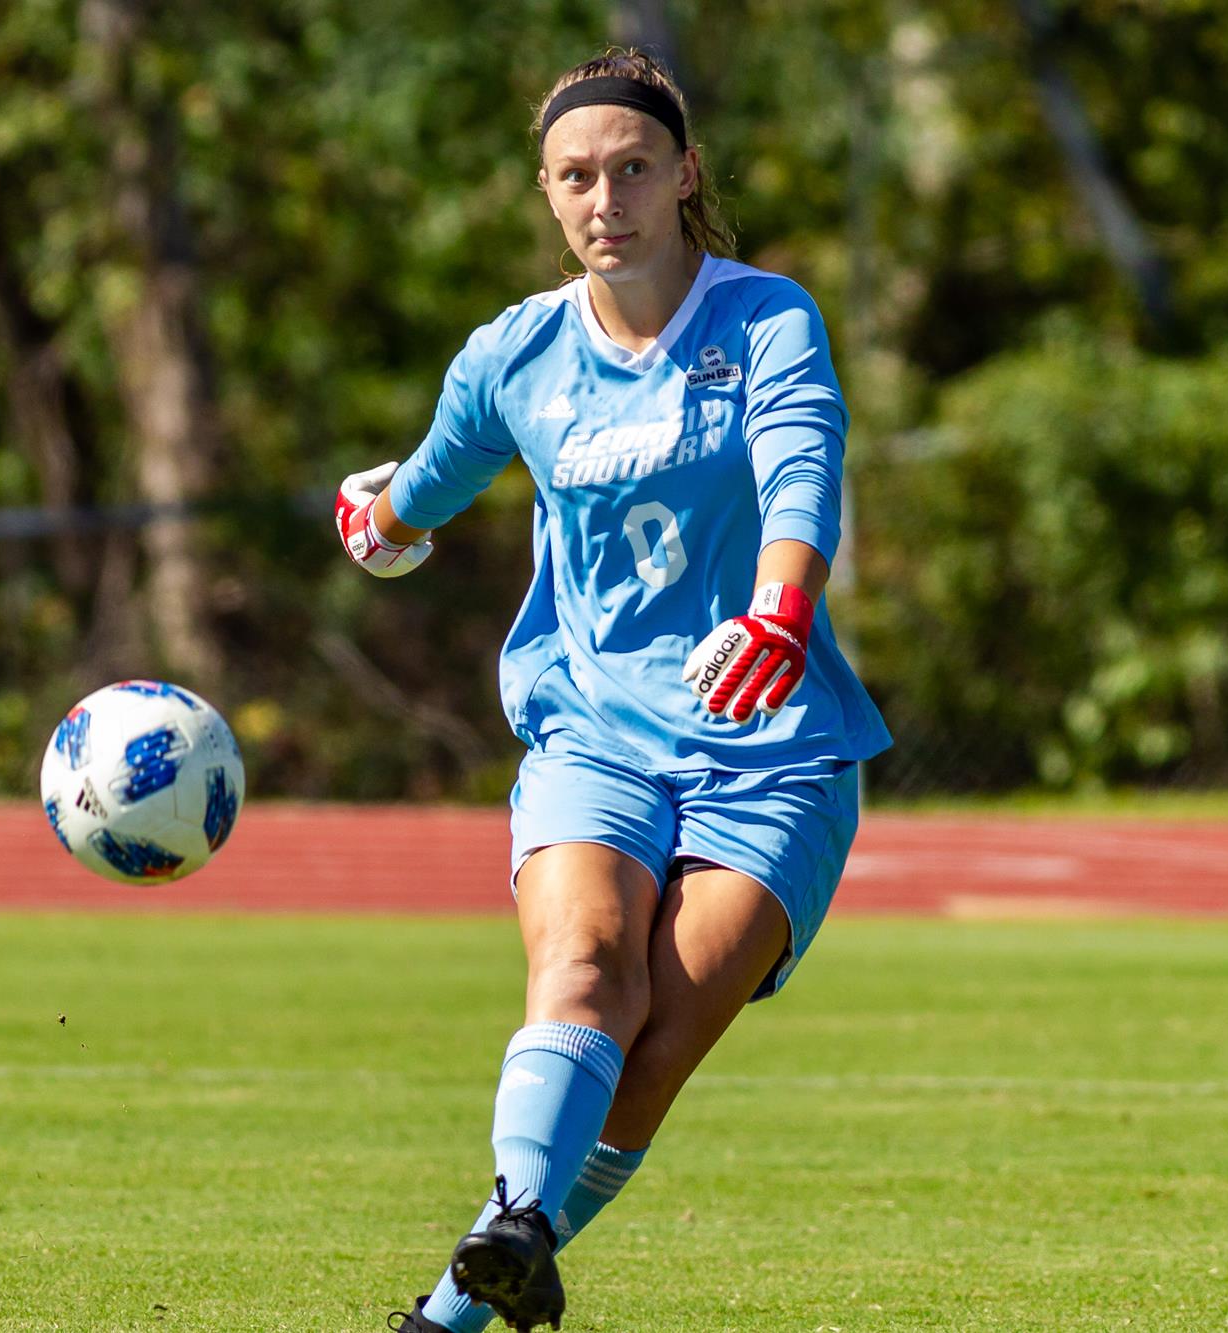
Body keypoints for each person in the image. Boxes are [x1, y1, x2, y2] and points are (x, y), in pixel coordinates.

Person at [335, 49, 891, 1333]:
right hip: (592, 733)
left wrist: (782, 604)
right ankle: (505, 1243)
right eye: (576, 177)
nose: (607, 200)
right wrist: (373, 522)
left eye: (632, 169)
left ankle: (453, 1305)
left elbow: (802, 461)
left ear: (682, 175)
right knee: (585, 969)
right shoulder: (512, 356)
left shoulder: (763, 316)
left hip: (773, 744)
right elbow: (416, 491)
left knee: (648, 1057)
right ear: (545, 191)